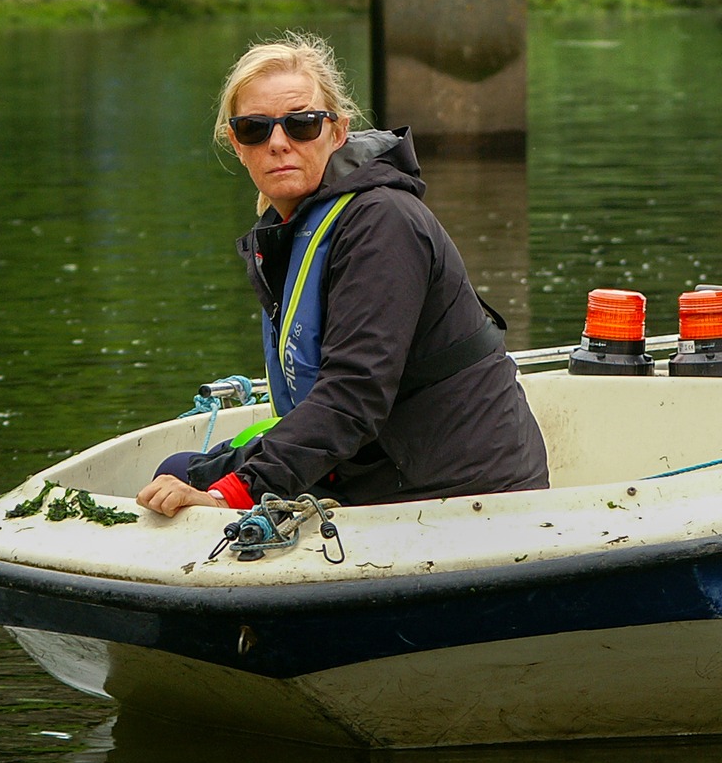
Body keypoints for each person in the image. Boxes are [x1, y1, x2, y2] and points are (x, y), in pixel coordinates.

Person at [137, 32, 547, 516]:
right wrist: (227, 477)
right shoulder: (295, 228)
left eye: (302, 124)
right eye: (254, 129)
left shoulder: (384, 223)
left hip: (457, 486)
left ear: (337, 132)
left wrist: (233, 491)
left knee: (197, 487)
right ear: (237, 143)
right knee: (178, 469)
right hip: (377, 459)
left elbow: (354, 393)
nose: (278, 143)